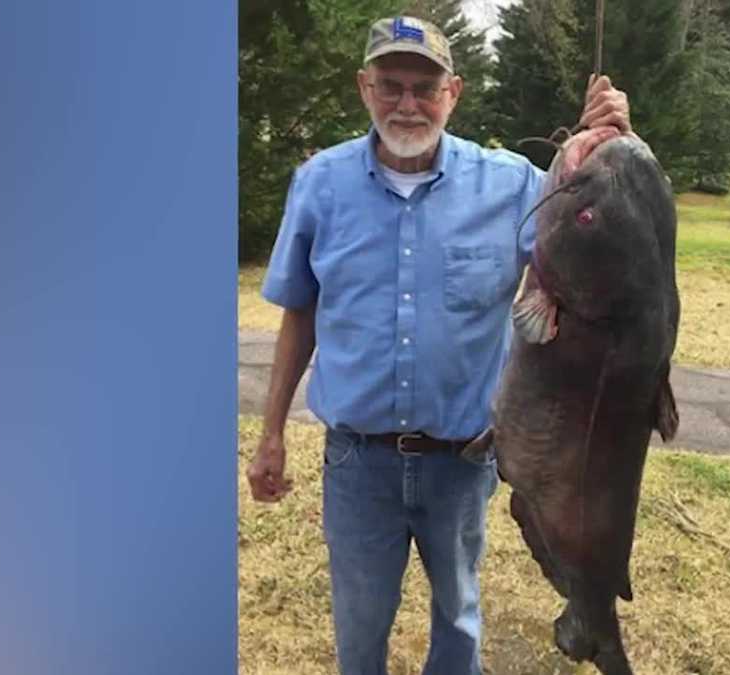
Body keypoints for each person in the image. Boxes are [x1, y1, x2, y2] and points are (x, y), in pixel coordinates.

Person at [247, 15, 632, 675]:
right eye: (390, 85)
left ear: (454, 91)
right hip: (357, 464)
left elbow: (597, 229)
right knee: (359, 621)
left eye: (424, 88)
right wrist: (272, 431)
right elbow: (300, 315)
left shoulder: (512, 185)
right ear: (364, 87)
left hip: (463, 461)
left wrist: (612, 140)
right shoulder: (320, 185)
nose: (407, 103)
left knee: (458, 616)